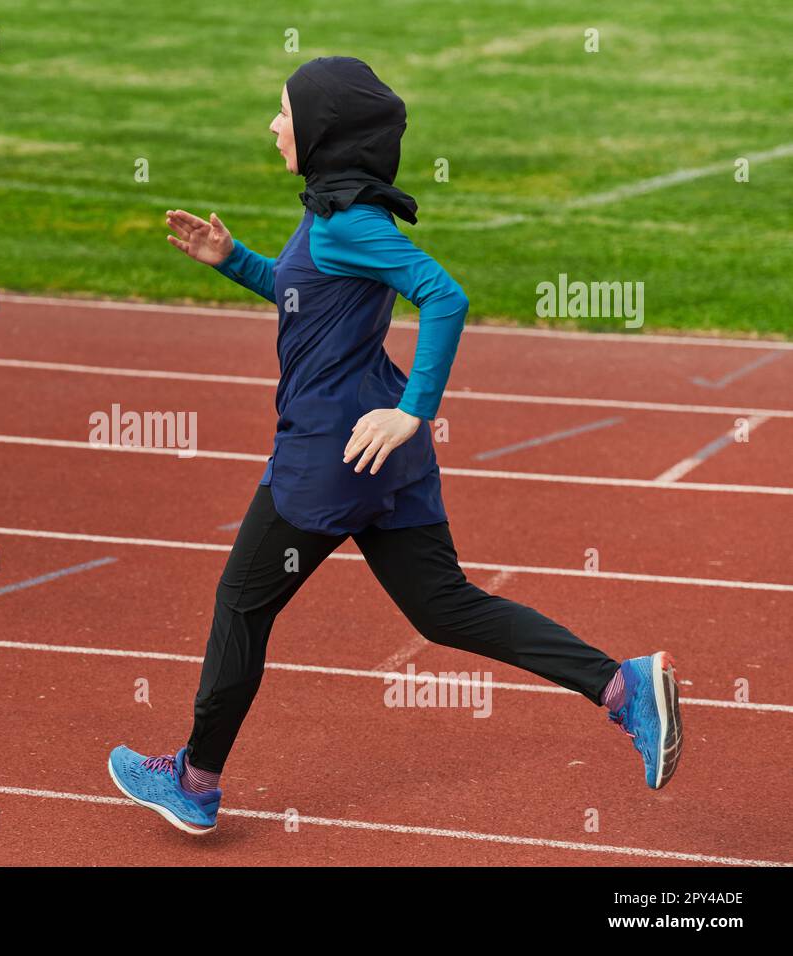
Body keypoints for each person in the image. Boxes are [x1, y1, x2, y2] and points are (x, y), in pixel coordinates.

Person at [106, 56, 683, 835]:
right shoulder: (336, 208)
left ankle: (195, 782)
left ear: (321, 131)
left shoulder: (350, 220)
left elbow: (446, 295)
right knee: (445, 608)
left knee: (242, 606)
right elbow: (309, 292)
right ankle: (621, 688)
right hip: (383, 459)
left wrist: (417, 409)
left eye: (281, 113)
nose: (272, 126)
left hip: (331, 455)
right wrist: (235, 261)